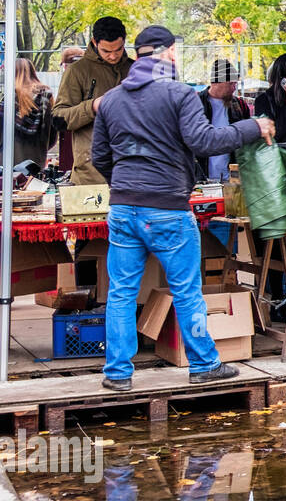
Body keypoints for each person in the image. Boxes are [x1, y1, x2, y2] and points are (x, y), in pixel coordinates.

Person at [91, 25, 275, 391]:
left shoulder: (111, 100)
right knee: (186, 290)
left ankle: (117, 374)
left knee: (122, 293)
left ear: (138, 53)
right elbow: (203, 141)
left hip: (125, 209)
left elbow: (100, 156)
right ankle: (205, 364)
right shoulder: (180, 95)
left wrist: (128, 186)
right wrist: (252, 127)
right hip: (168, 209)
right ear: (169, 53)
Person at [53, 15, 134, 184]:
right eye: (106, 51)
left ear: (124, 41)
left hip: (133, 172)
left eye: (118, 49)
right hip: (90, 175)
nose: (113, 56)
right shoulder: (77, 71)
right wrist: (93, 107)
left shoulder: (135, 69)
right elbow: (59, 119)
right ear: (94, 42)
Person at [197, 58, 253, 183]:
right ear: (216, 82)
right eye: (230, 84)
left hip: (233, 178)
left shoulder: (239, 105)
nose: (234, 88)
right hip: (202, 178)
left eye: (235, 83)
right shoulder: (196, 103)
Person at [3, 57, 60, 171]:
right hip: (37, 158)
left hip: (8, 159)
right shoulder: (46, 96)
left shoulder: (8, 98)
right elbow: (53, 132)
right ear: (33, 72)